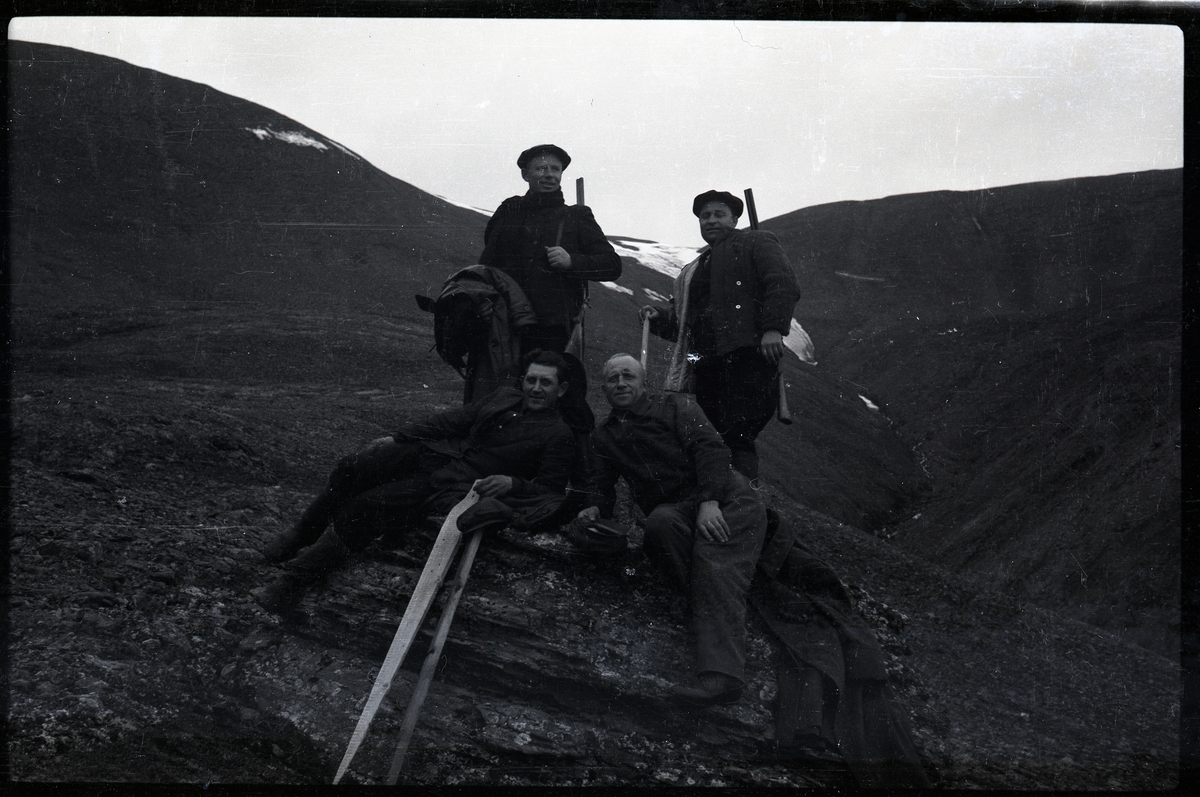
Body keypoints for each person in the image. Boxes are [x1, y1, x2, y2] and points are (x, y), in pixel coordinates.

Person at [254, 350, 577, 615]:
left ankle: (291, 584)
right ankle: (301, 534)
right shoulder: (505, 397)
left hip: (452, 485)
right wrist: (398, 437)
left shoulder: (558, 435)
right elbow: (452, 420)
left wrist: (513, 483)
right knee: (354, 465)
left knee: (365, 507)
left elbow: (550, 491)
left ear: (560, 390)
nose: (535, 388)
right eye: (531, 380)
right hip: (435, 455)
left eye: (545, 383)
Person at [579, 353, 767, 706]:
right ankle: (712, 615)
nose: (620, 383)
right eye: (613, 378)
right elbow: (601, 483)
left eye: (628, 376)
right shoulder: (603, 436)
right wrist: (594, 506)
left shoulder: (675, 407)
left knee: (712, 561)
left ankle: (723, 677)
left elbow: (712, 450)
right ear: (603, 388)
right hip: (676, 510)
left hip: (726, 497)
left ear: (642, 382)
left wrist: (710, 501)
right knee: (659, 526)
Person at [640, 190, 800, 481]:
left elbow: (782, 284)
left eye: (718, 214)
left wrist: (774, 329)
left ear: (735, 219)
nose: (711, 220)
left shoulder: (756, 241)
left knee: (738, 433)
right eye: (705, 216)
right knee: (712, 435)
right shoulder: (694, 269)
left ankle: (744, 503)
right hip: (705, 363)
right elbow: (684, 324)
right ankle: (721, 499)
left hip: (748, 357)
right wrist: (660, 318)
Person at [479, 143, 623, 356]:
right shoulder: (509, 211)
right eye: (541, 169)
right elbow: (487, 265)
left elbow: (612, 266)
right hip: (506, 324)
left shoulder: (577, 216)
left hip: (555, 332)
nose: (549, 175)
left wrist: (571, 262)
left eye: (555, 169)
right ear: (525, 174)